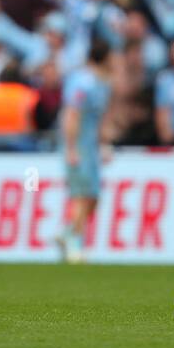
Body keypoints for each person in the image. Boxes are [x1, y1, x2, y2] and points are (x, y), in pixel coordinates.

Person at [56, 37, 113, 263]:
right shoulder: (82, 82)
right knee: (81, 195)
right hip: (78, 145)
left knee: (94, 196)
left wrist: (103, 145)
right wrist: (71, 148)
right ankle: (74, 243)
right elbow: (72, 115)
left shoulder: (102, 83)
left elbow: (99, 119)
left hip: (90, 146)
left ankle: (68, 233)